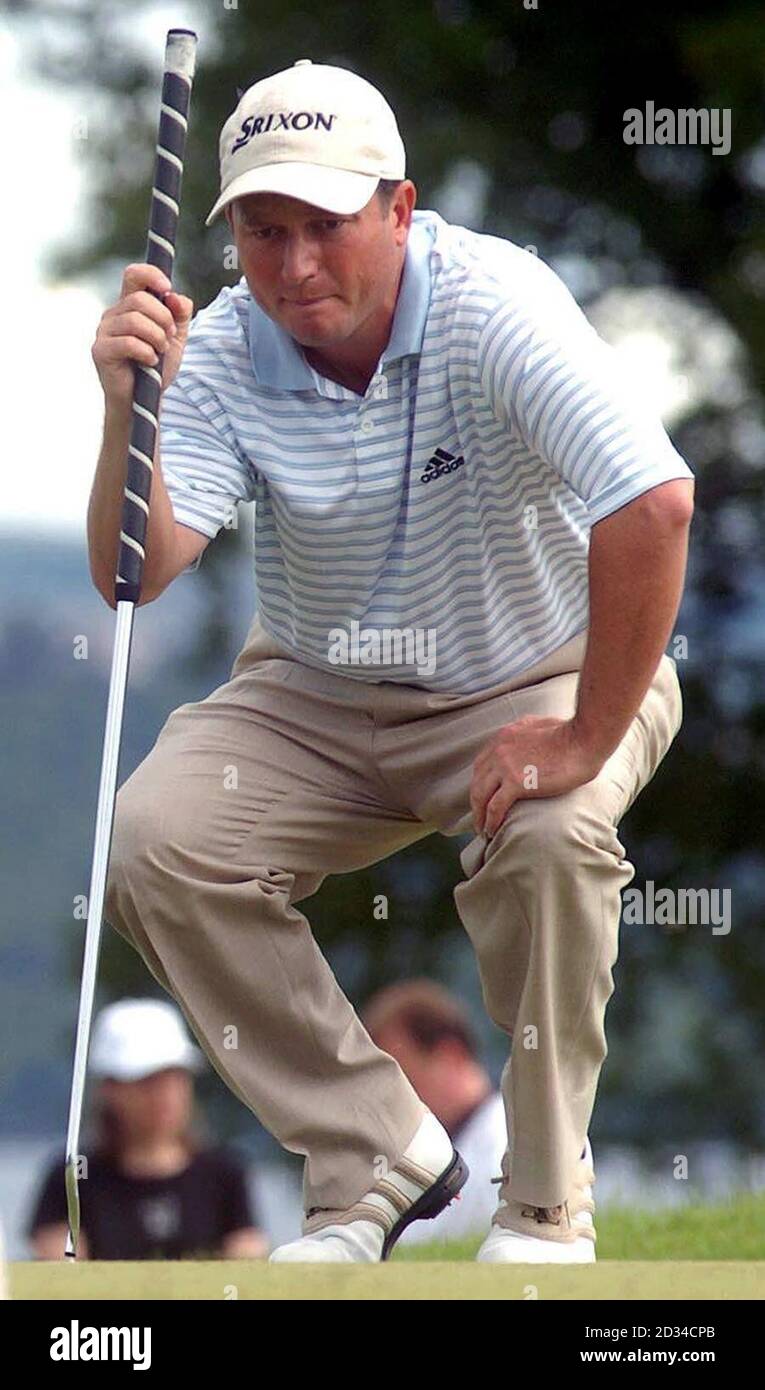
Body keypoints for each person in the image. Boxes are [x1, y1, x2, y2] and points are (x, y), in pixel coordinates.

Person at [89, 59, 693, 1263]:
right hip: (315, 688)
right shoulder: (211, 351)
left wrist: (579, 736)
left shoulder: (495, 305)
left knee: (555, 835)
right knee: (159, 838)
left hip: (542, 669)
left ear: (399, 209)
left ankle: (543, 1199)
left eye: (327, 226)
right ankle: (375, 1153)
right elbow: (132, 572)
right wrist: (125, 407)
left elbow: (656, 503)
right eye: (266, 231)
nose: (297, 264)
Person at [27, 999, 267, 1260]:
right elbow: (63, 1273)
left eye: (174, 1077)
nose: (164, 1095)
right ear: (110, 1089)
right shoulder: (72, 1179)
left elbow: (245, 1265)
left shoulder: (225, 1174)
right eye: (147, 1081)